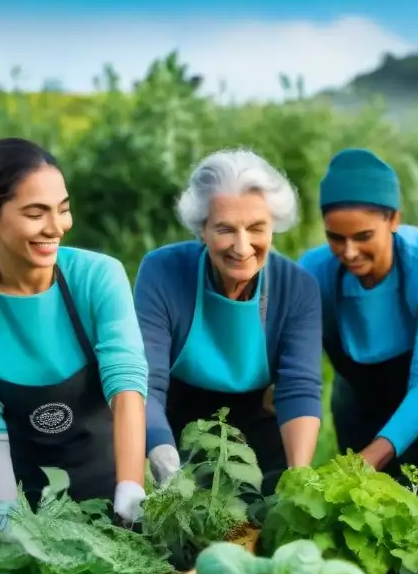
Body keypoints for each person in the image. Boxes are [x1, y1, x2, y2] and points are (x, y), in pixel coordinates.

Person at [0, 138, 149, 524]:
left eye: (63, 209)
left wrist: (131, 487)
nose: (56, 227)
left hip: (114, 491)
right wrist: (9, 520)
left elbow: (126, 384)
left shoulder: (99, 276)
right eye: (35, 213)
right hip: (29, 503)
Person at [136, 149, 322, 490]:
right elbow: (147, 383)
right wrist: (163, 460)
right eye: (225, 229)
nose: (242, 246)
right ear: (202, 230)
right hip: (173, 431)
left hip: (260, 435)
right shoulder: (162, 271)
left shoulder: (298, 288)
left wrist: (299, 478)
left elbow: (299, 388)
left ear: (273, 228)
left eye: (256, 228)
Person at [299, 148, 418, 494]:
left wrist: (372, 456)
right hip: (361, 400)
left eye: (363, 236)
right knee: (364, 508)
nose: (349, 252)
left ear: (393, 220)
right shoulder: (312, 273)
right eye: (336, 238)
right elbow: (293, 369)